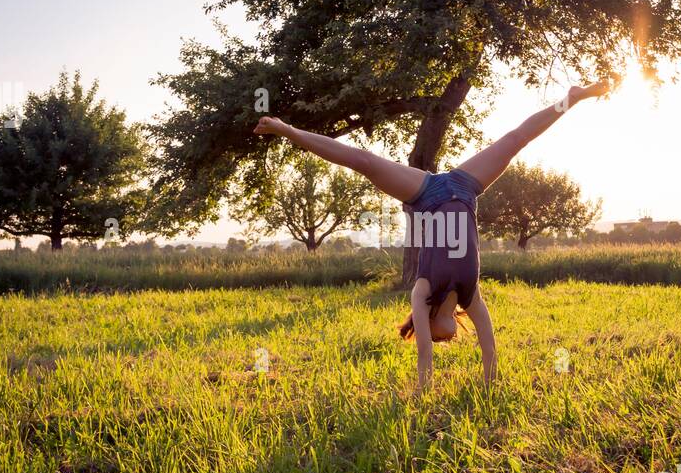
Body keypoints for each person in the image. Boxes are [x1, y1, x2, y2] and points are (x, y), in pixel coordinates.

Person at [254, 77, 614, 390]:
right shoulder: (470, 297)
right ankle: (574, 97)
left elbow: (423, 351)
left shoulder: (423, 294)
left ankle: (286, 129)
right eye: (447, 340)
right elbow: (489, 348)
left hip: (424, 193)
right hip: (465, 187)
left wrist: (422, 393)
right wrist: (489, 390)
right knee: (517, 139)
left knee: (361, 160)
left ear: (430, 326)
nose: (447, 341)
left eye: (439, 338)